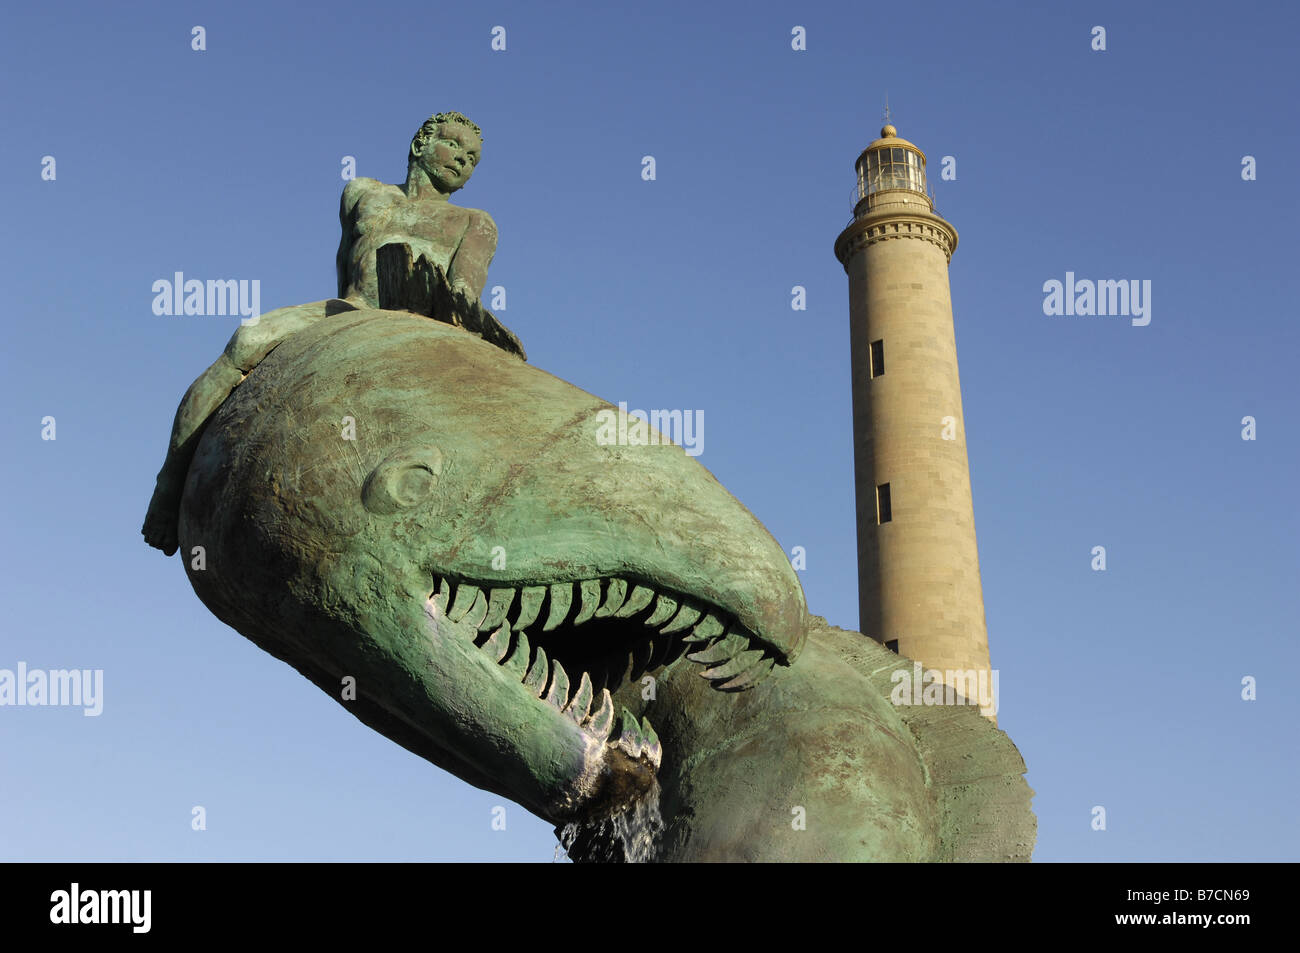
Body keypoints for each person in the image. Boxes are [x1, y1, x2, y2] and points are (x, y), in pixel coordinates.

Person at [142, 111, 498, 555]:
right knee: (246, 340)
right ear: (420, 144)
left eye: (472, 159)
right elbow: (346, 264)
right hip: (348, 309)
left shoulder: (474, 222)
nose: (463, 161)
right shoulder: (362, 193)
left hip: (419, 322)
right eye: (455, 146)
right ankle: (169, 483)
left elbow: (465, 288)